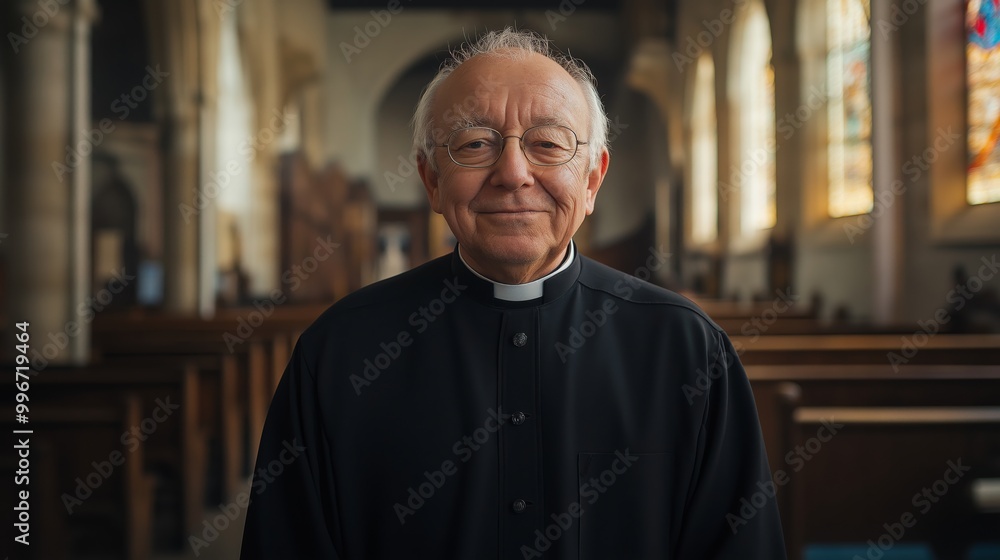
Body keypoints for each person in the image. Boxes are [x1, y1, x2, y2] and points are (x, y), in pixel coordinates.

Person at [240, 28, 786, 559]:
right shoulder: (340, 352)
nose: (513, 173)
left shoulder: (688, 351)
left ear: (593, 179)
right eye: (475, 144)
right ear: (431, 180)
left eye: (548, 144)